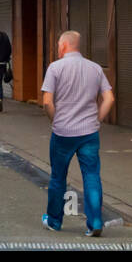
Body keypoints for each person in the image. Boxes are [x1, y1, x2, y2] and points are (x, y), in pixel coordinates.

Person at [40, 30, 115, 237]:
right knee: (91, 176)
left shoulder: (55, 68)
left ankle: (54, 221)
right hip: (89, 132)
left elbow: (47, 102)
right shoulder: (95, 68)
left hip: (63, 133)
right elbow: (109, 98)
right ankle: (95, 222)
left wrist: (55, 120)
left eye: (58, 45)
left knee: (58, 178)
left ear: (63, 45)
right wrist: (97, 119)